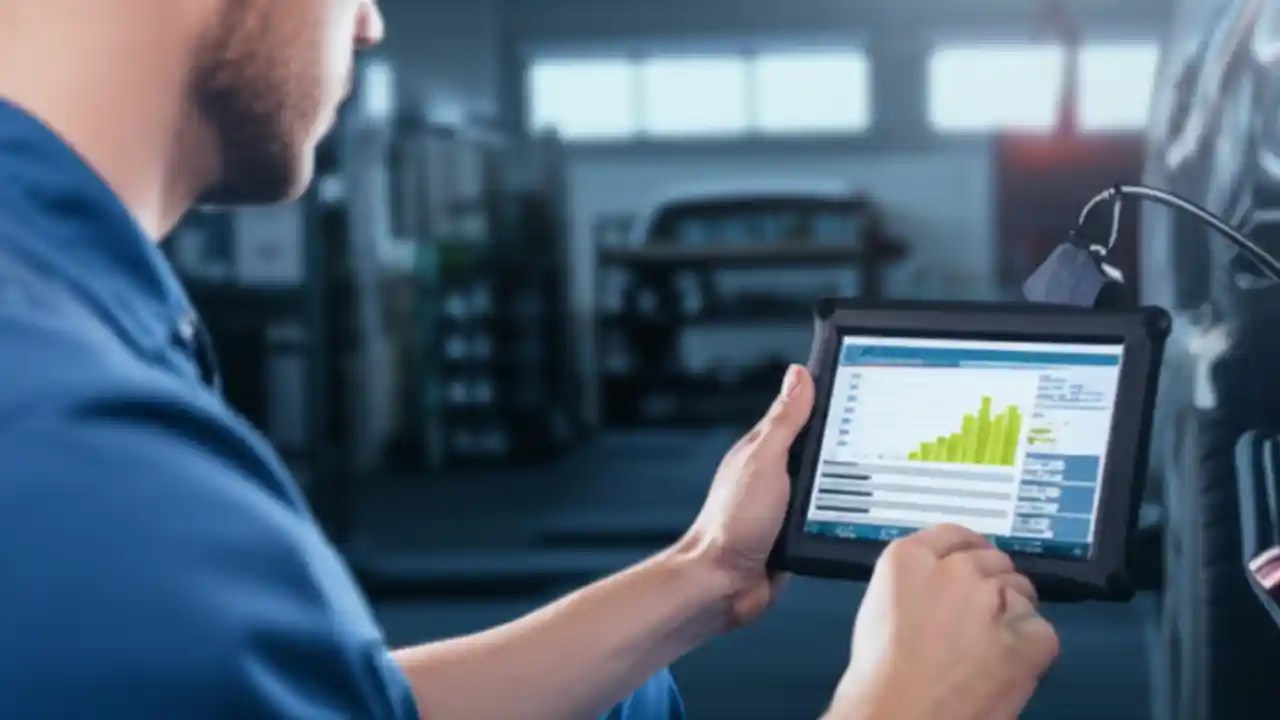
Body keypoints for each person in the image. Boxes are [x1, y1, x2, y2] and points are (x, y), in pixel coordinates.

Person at [0, 1, 1060, 718]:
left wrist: (702, 574)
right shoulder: (86, 462)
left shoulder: (61, 349)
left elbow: (309, 701)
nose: (367, 24)